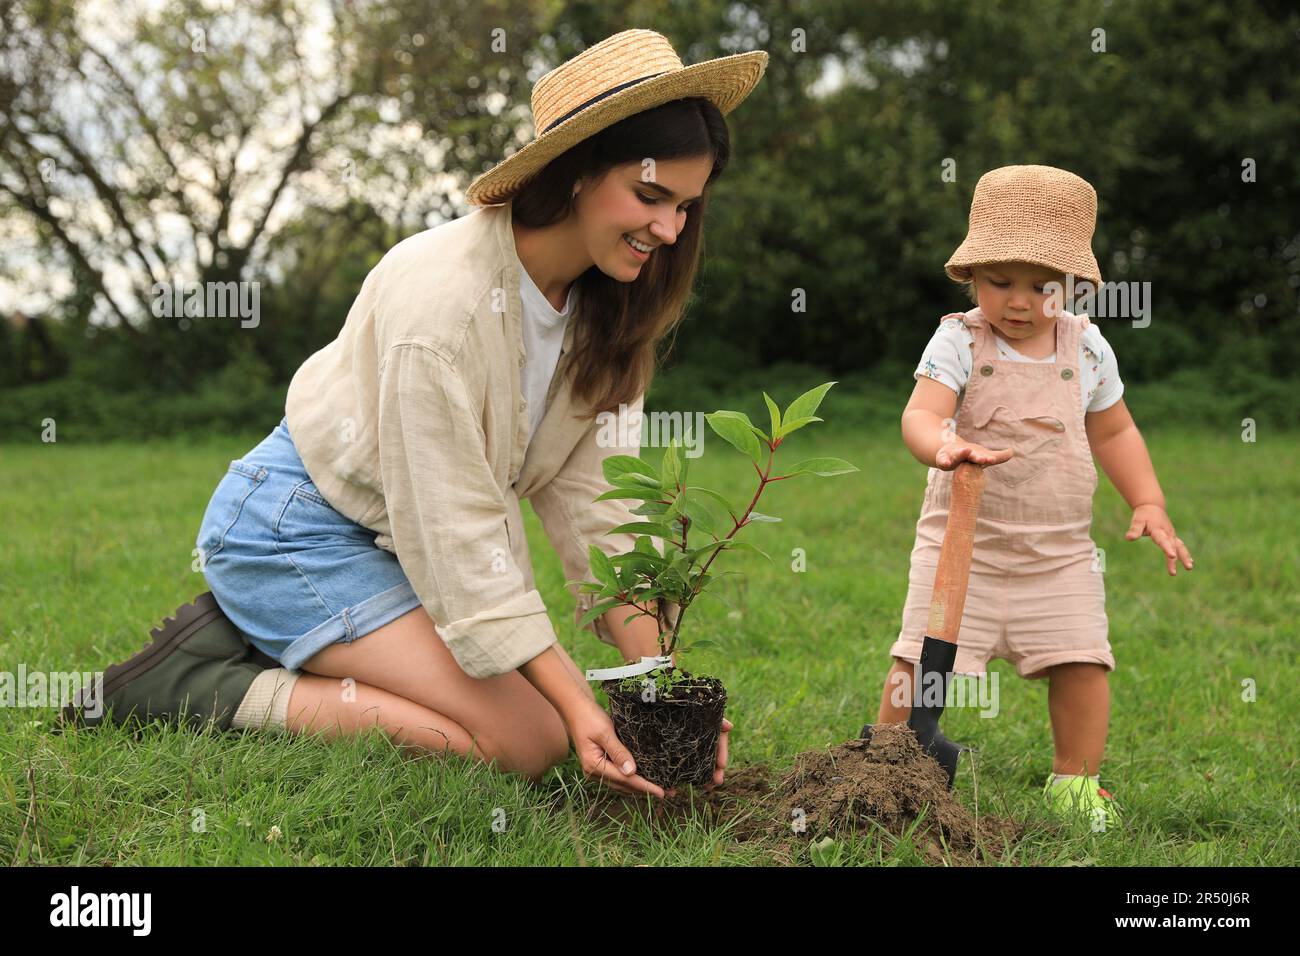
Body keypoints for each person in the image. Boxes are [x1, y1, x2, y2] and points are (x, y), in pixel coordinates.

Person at [61, 29, 768, 800]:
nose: (668, 233)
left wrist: (654, 693)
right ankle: (199, 684)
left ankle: (296, 643)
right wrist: (571, 698)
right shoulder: (441, 302)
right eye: (649, 197)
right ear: (576, 173)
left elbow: (605, 509)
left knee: (549, 723)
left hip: (405, 544)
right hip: (296, 530)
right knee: (531, 741)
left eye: (686, 208)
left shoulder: (609, 314)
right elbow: (458, 532)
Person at [874, 165, 1194, 827]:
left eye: (1041, 287)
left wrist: (1148, 501)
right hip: (964, 554)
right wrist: (943, 444)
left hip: (1059, 557)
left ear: (1072, 286)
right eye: (1000, 282)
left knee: (1084, 663)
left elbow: (1115, 430)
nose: (1018, 302)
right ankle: (887, 768)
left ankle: (1075, 785)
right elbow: (920, 413)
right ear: (971, 275)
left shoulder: (1089, 348)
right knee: (918, 663)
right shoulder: (960, 340)